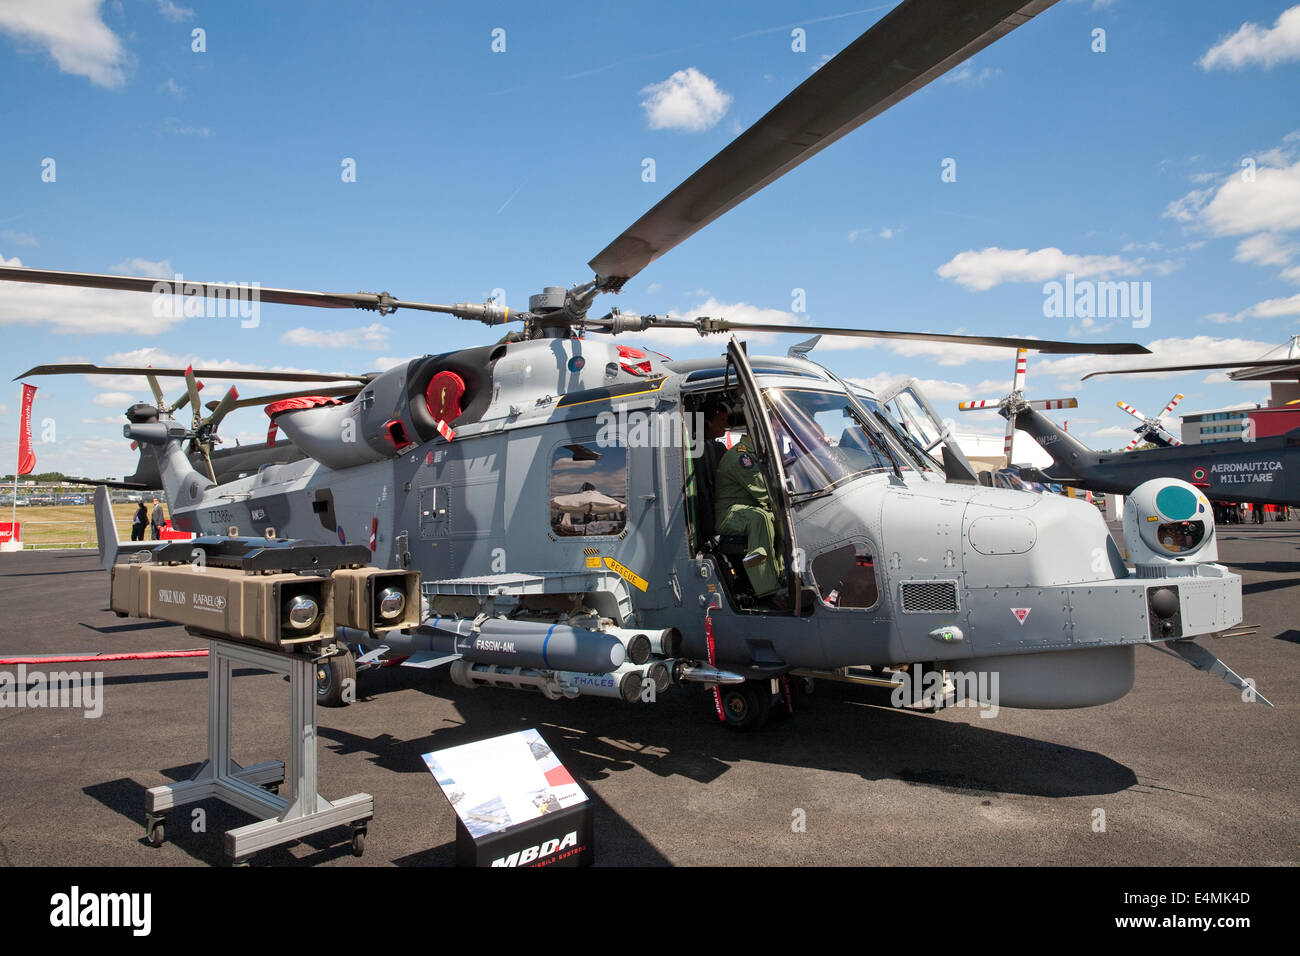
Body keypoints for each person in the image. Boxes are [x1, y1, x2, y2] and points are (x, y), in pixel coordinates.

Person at [714, 429, 788, 608]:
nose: (776, 436)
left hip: (744, 510)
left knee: (773, 519)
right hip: (728, 515)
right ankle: (766, 589)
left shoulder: (755, 456)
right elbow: (765, 494)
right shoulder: (741, 458)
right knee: (760, 519)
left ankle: (781, 577)